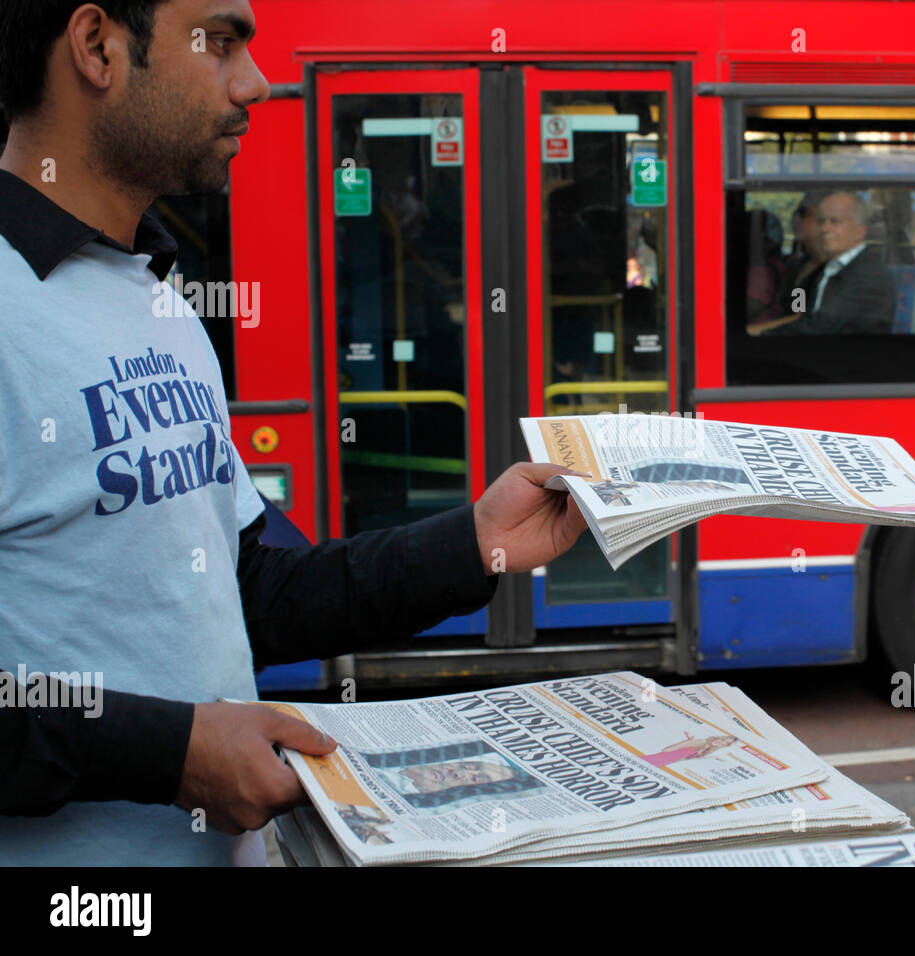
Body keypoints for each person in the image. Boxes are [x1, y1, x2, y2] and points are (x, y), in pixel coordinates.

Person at [0, 0, 587, 865]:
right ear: (98, 47)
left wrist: (474, 545)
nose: (257, 84)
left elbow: (247, 594)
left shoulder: (155, 298)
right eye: (223, 42)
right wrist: (173, 756)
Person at [749, 191, 895, 336]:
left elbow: (814, 322)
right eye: (821, 220)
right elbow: (796, 309)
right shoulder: (804, 267)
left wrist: (759, 332)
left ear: (859, 232)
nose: (824, 228)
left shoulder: (868, 274)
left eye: (835, 221)